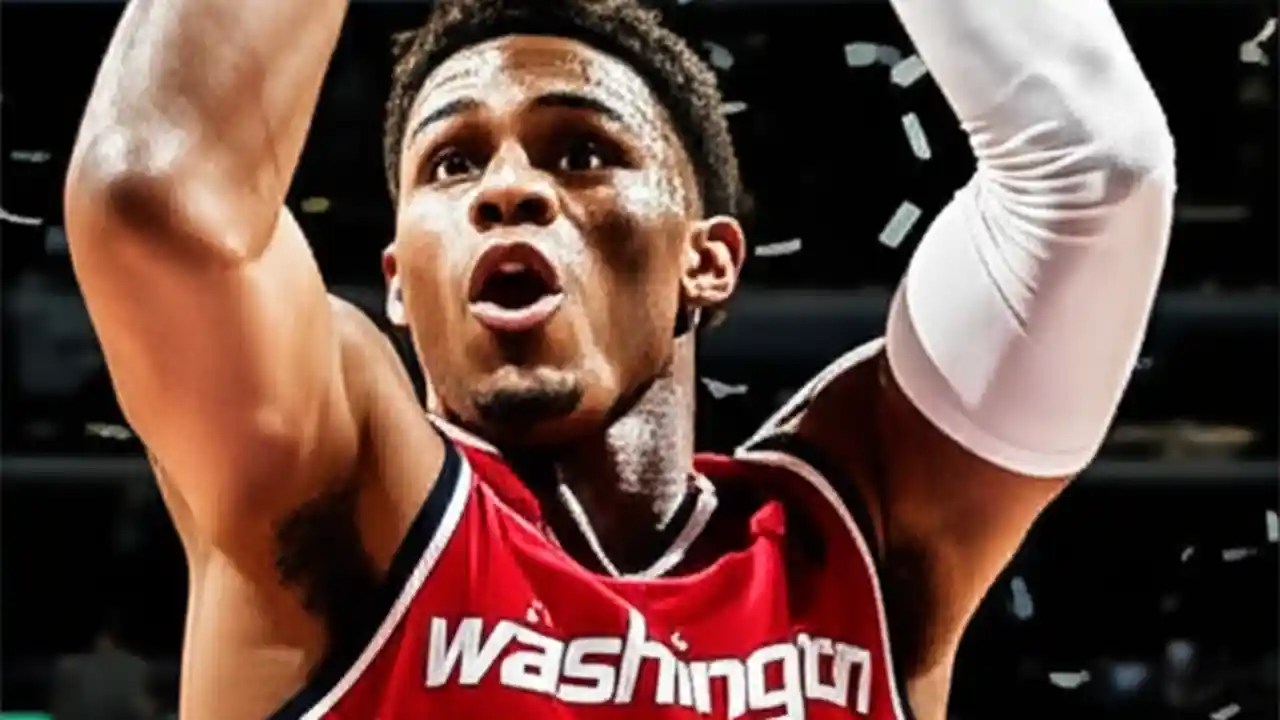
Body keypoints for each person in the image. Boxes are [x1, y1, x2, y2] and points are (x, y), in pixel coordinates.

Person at [63, 0, 1175, 716]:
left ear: (708, 260)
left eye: (583, 151)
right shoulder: (354, 492)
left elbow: (1098, 174)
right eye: (450, 164)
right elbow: (155, 196)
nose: (508, 186)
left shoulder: (855, 527)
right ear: (396, 278)